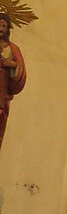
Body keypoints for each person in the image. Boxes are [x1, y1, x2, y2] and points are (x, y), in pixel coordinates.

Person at [0, 13, 26, 153]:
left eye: (3, 26)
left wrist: (12, 64)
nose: (0, 29)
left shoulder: (12, 48)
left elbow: (20, 69)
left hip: (1, 91)